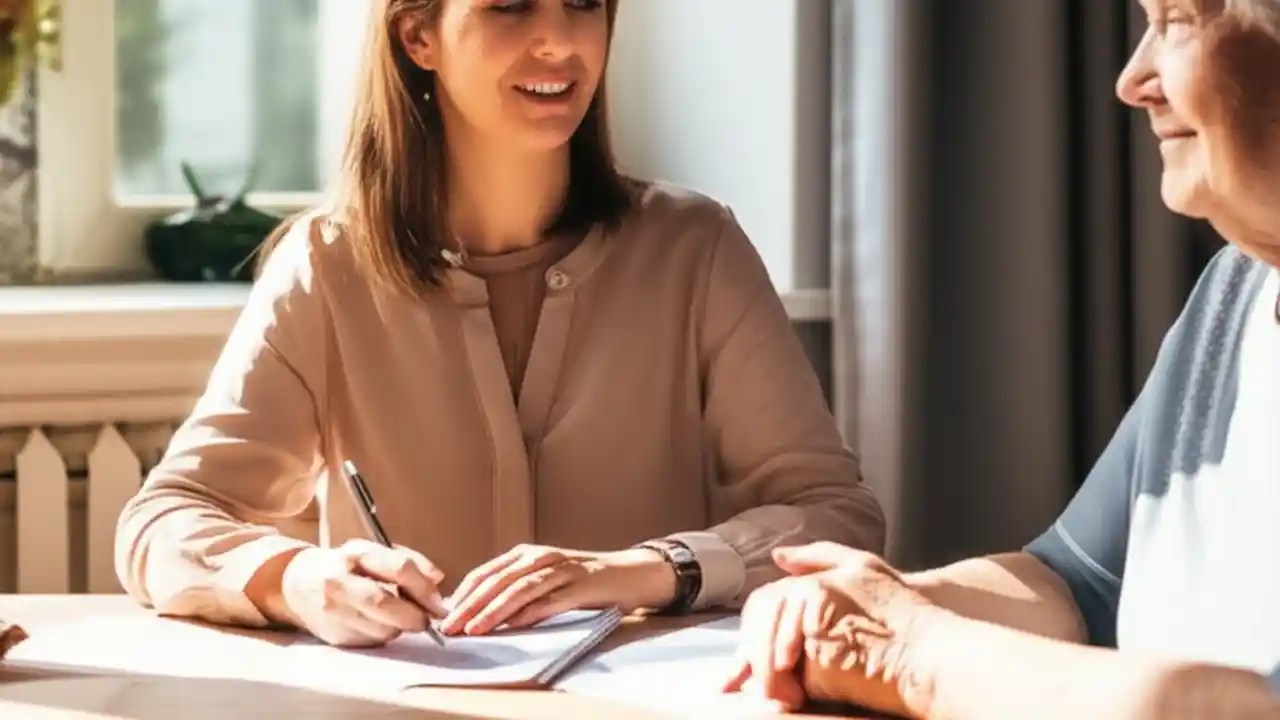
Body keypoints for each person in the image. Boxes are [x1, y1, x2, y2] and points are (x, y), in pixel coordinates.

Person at [112, 0, 885, 649]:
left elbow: (837, 517)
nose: (560, 40)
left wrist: (641, 571)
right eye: (510, 3)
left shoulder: (696, 247)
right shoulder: (327, 265)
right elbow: (163, 521)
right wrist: (298, 580)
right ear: (419, 36)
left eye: (583, 1)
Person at [728, 0, 1280, 717]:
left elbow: (1231, 709)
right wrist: (875, 604)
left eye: (1176, 21)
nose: (1132, 79)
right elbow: (1074, 583)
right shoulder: (1234, 289)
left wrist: (910, 652)